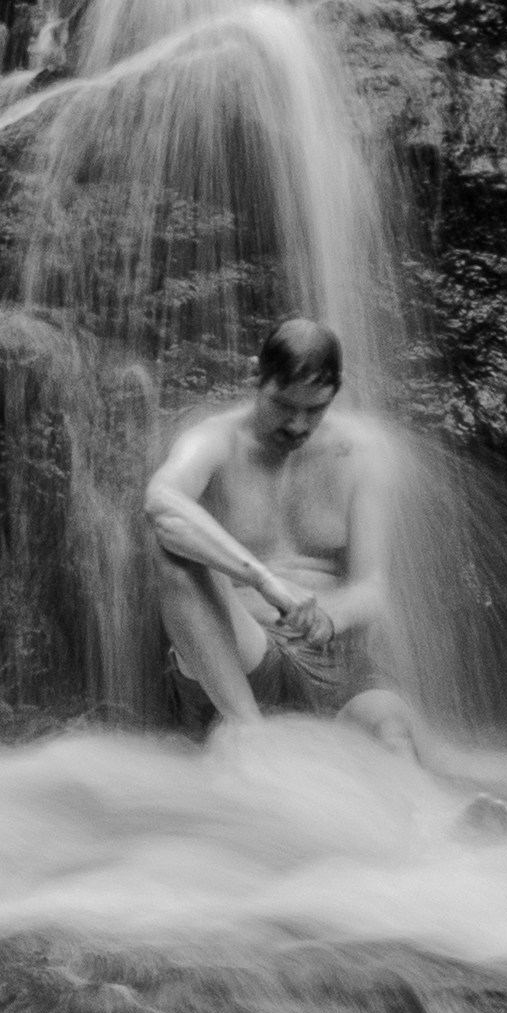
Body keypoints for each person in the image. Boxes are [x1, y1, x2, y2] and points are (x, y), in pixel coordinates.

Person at [144, 315, 421, 751]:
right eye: (283, 405)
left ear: (337, 390)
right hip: (241, 660)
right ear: (256, 376)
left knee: (390, 730)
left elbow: (372, 587)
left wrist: (330, 618)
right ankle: (250, 733)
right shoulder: (216, 440)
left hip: (336, 662)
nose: (297, 424)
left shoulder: (362, 453)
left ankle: (433, 819)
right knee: (175, 551)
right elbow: (162, 503)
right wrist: (265, 581)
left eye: (314, 409)